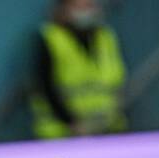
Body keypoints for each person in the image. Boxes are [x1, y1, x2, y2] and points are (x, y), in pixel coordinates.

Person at [30, 0, 127, 139]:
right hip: (62, 136)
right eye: (78, 6)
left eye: (89, 5)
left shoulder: (106, 37)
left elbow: (117, 82)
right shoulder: (51, 39)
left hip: (108, 131)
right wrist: (71, 122)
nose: (84, 11)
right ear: (64, 8)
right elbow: (44, 86)